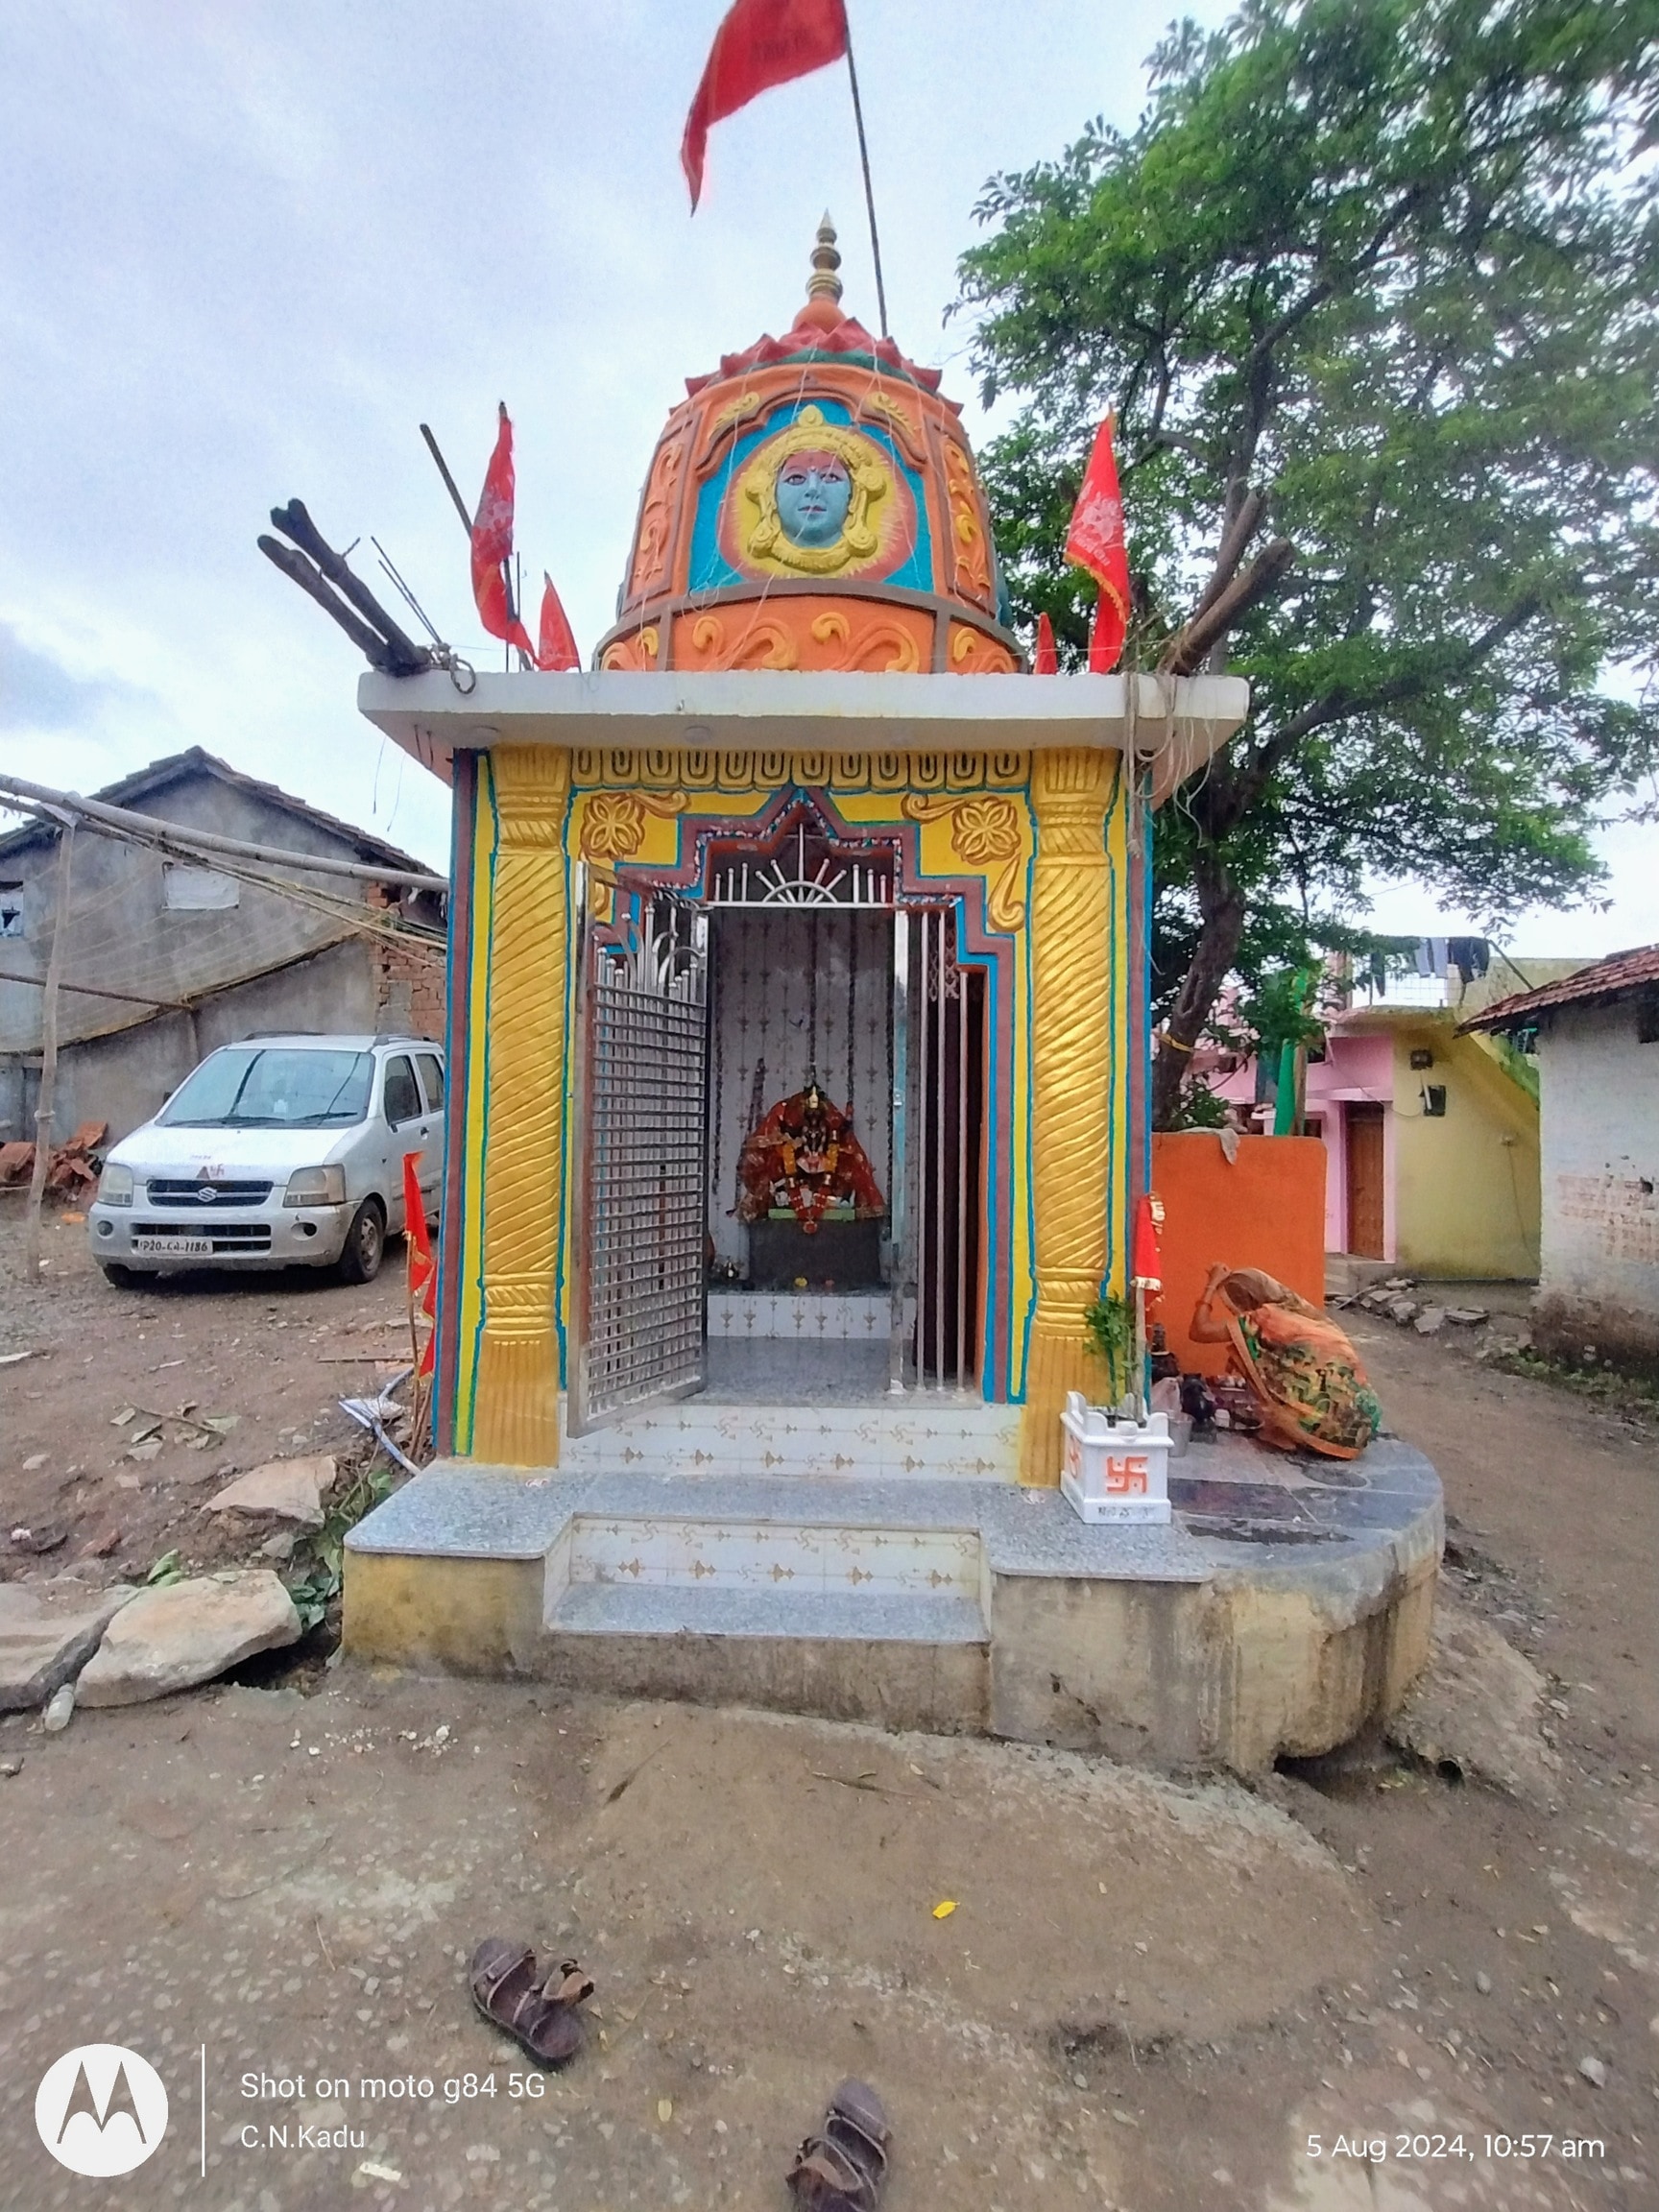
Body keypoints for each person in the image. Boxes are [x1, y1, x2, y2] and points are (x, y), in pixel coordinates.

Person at [1189, 1263, 1381, 1458]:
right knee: (1255, 1353)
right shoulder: (1300, 1311)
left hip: (1331, 1429)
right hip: (1361, 1424)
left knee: (1257, 1360)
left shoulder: (1265, 1317)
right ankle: (1295, 1427)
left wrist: (1211, 1285)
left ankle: (1288, 1432)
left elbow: (1199, 1331)